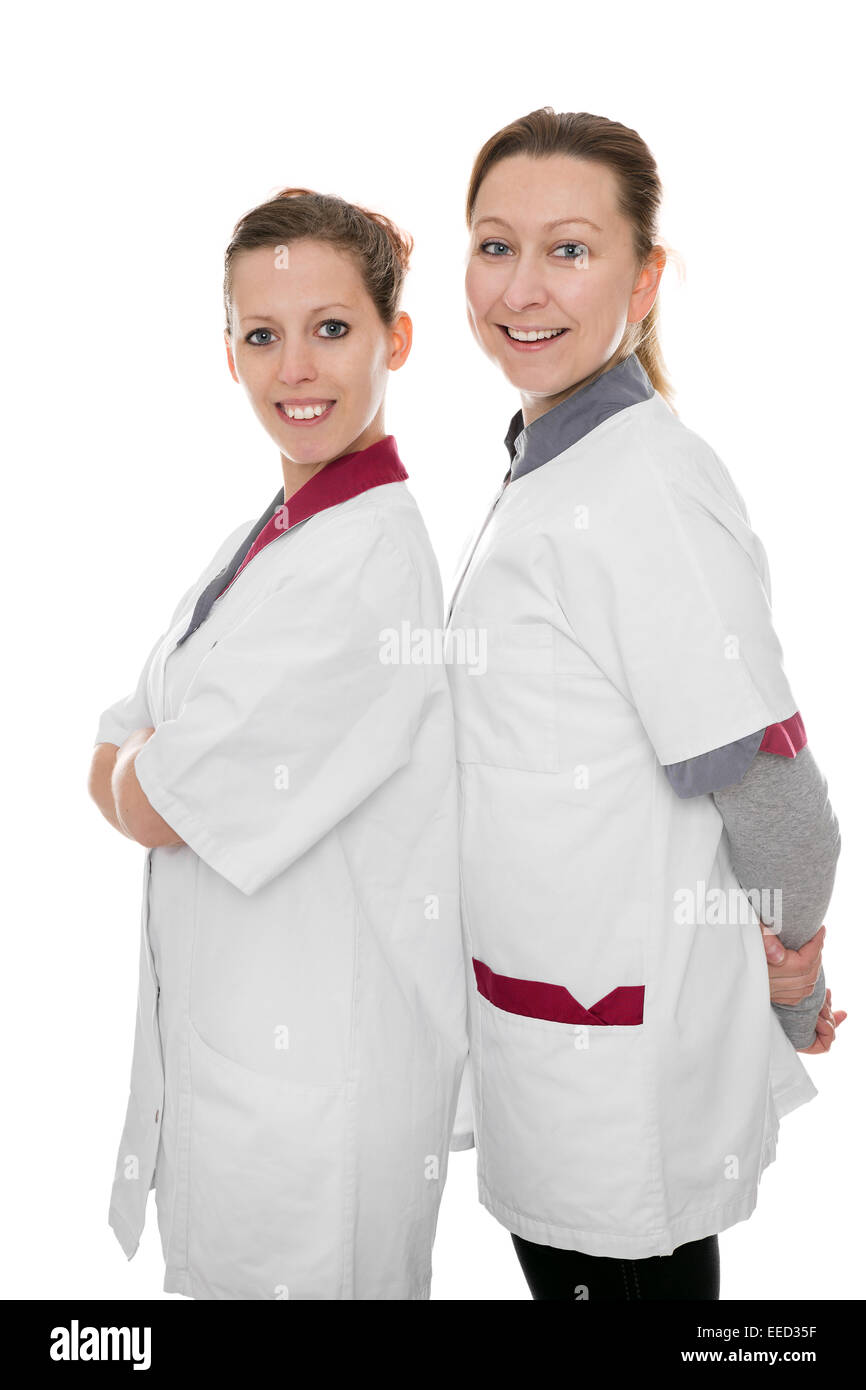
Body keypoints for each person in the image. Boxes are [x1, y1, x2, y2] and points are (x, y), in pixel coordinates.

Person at [445, 108, 844, 1301]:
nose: (522, 287)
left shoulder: (643, 489)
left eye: (569, 249)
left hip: (611, 1078)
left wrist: (794, 981)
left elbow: (780, 806)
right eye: (493, 245)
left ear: (645, 274)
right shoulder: (551, 456)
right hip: (554, 1036)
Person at [88, 188, 468, 1301]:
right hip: (245, 1086)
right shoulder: (278, 530)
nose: (296, 367)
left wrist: (130, 766)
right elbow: (129, 734)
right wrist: (135, 758)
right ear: (229, 354)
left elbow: (149, 789)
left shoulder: (361, 568)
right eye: (263, 334)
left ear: (396, 339)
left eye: (332, 329)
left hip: (318, 1110)